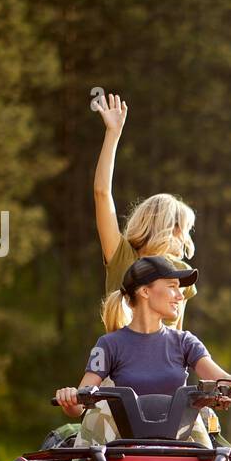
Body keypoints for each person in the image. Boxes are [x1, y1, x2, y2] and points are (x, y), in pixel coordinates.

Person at [54, 256, 231, 446]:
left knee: (203, 420)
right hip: (124, 446)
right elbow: (79, 405)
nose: (180, 296)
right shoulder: (109, 344)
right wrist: (69, 398)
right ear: (145, 291)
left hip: (177, 444)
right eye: (172, 287)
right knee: (96, 412)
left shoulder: (185, 341)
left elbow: (221, 379)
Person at [92, 92, 198, 332]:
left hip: (165, 370)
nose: (187, 238)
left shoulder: (182, 272)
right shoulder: (123, 258)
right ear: (166, 228)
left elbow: (178, 339)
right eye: (183, 228)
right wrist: (113, 134)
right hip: (124, 368)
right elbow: (101, 192)